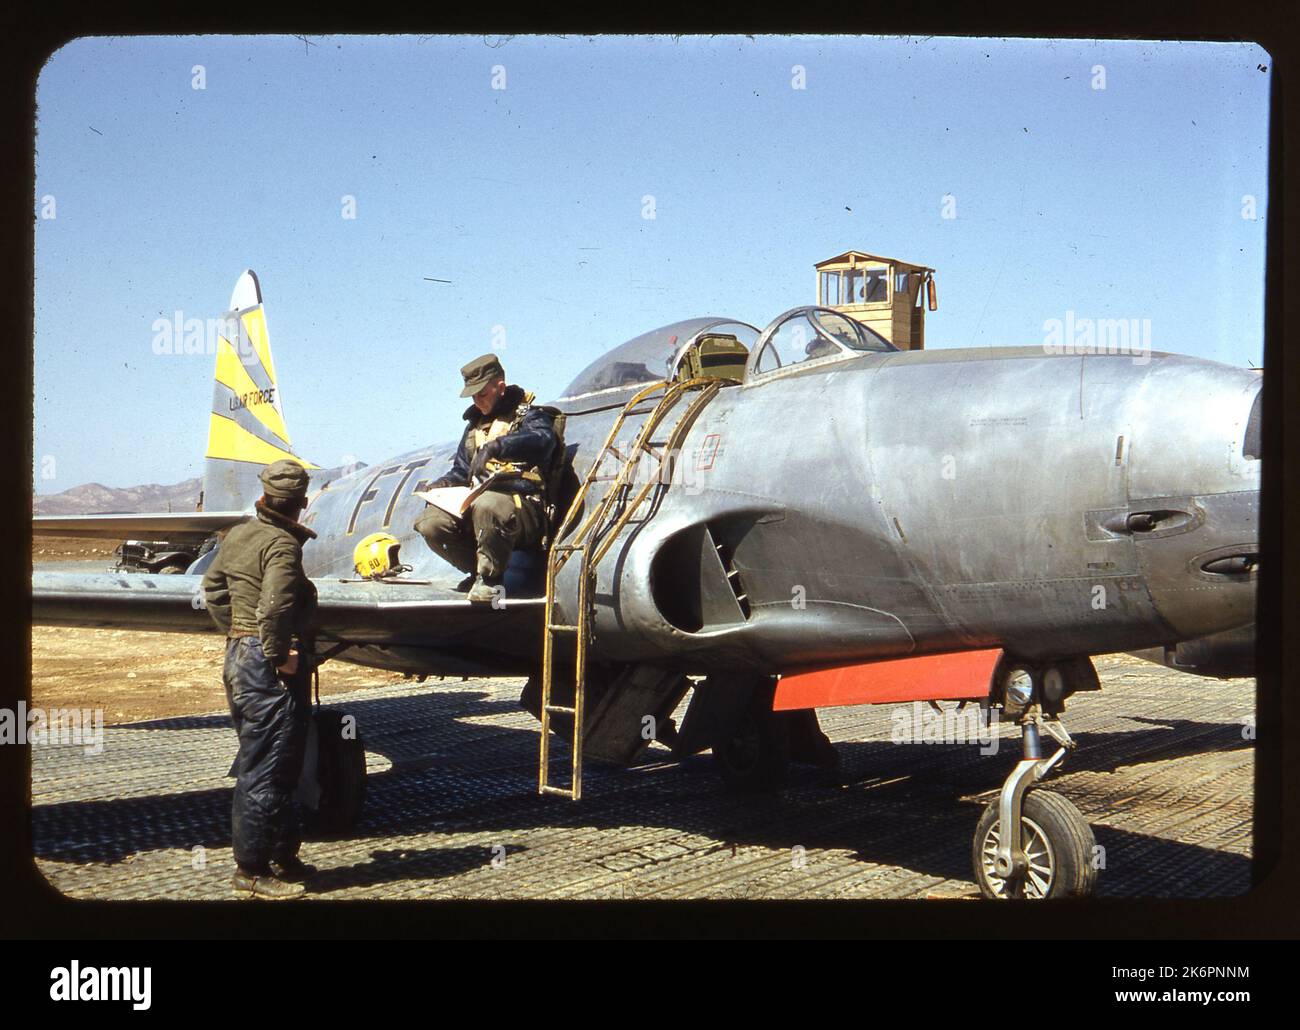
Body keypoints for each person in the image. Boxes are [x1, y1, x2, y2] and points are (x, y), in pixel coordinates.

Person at [201, 460, 319, 899]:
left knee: (276, 761)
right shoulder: (282, 545)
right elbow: (275, 607)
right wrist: (277, 653)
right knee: (268, 768)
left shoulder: (237, 535)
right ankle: (250, 870)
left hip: (240, 656)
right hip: (267, 663)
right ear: (301, 503)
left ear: (264, 495)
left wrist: (240, 632)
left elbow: (213, 589)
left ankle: (283, 855)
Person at [414, 352, 558, 603]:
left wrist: (498, 446)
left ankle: (491, 581)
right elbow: (462, 471)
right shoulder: (474, 427)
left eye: (482, 394)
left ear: (500, 387)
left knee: (487, 505)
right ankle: (478, 572)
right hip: (480, 504)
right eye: (473, 396)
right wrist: (442, 485)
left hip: (522, 506)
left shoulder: (530, 415)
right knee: (431, 522)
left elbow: (544, 440)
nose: (477, 401)